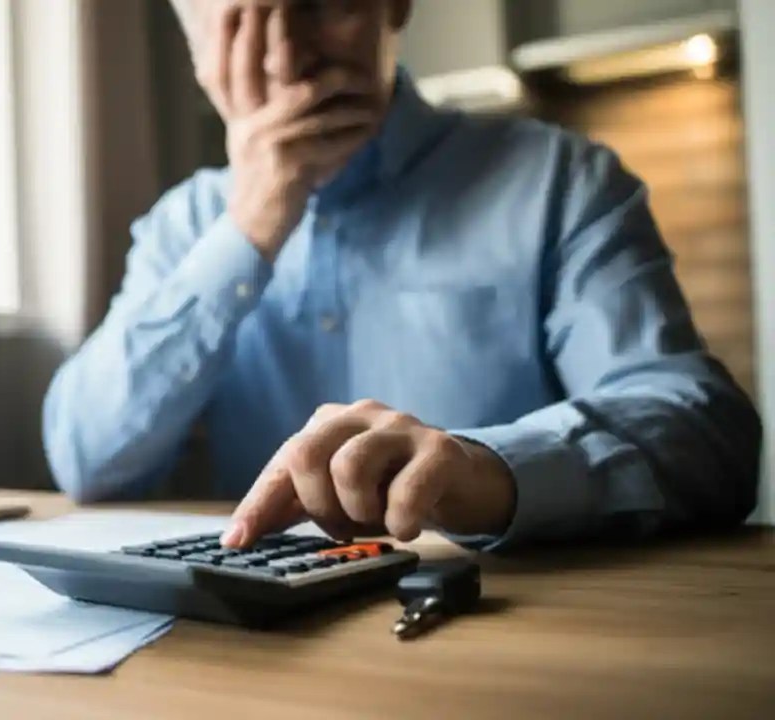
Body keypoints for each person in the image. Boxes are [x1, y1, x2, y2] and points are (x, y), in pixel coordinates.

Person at [42, 0, 762, 552]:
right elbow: (85, 458)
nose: (288, 56)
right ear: (195, 48)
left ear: (397, 3)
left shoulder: (561, 183)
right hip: (265, 653)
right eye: (242, 19)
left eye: (324, 1)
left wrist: (485, 469)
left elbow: (709, 435)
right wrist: (249, 225)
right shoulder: (185, 226)